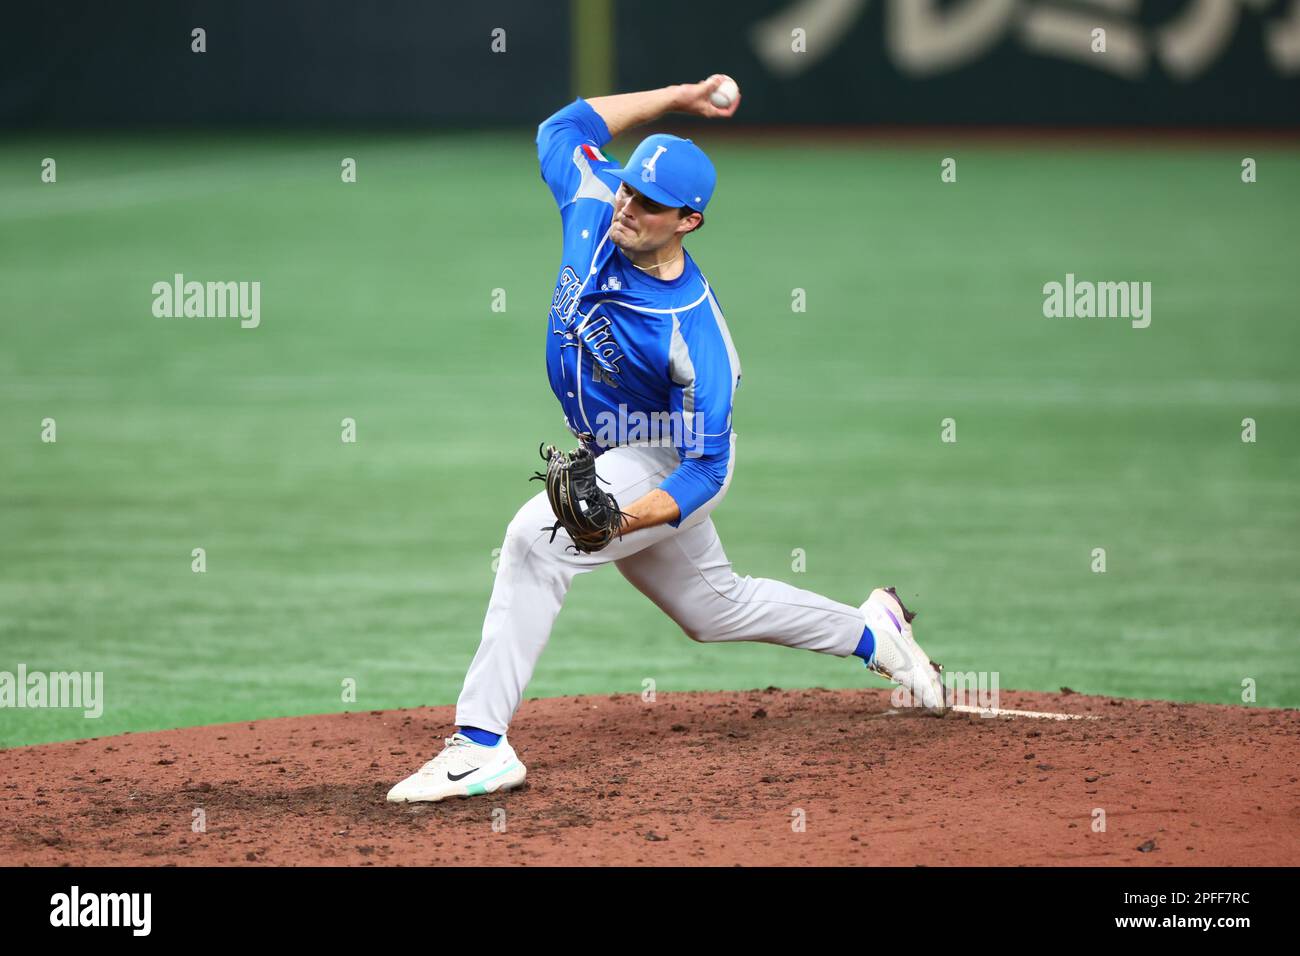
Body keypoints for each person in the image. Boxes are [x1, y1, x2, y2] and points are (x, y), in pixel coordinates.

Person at [387, 76, 947, 804]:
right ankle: (874, 633)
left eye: (649, 203)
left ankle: (482, 746)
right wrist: (680, 96)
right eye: (628, 189)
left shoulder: (693, 337)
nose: (628, 207)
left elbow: (707, 469)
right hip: (613, 451)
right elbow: (563, 126)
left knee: (534, 541)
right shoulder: (595, 204)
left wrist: (619, 520)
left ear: (688, 221)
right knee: (715, 609)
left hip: (671, 457)